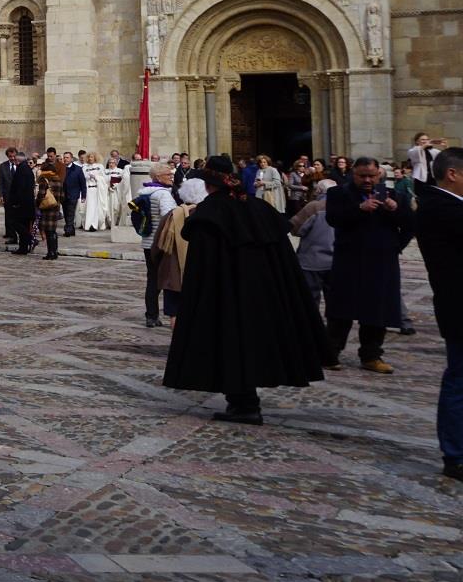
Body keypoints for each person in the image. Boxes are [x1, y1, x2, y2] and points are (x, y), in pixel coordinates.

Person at [163, 155, 327, 424]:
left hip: (223, 294)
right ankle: (246, 403)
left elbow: (202, 265)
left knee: (229, 343)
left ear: (208, 185)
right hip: (264, 294)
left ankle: (243, 403)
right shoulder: (259, 208)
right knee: (253, 342)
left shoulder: (209, 214)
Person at [323, 156, 415, 374]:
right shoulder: (338, 194)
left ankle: (371, 355)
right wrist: (360, 209)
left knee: (377, 309)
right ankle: (330, 353)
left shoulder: (393, 195)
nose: (367, 180)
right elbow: (333, 219)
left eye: (371, 176)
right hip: (349, 259)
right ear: (353, 174)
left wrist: (396, 216)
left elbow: (411, 225)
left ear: (379, 175)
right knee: (341, 310)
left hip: (382, 261)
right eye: (362, 176)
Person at [412, 146, 463, 481]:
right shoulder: (443, 209)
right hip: (459, 305)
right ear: (453, 174)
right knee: (460, 379)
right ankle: (456, 454)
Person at [153, 177, 207, 325]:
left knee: (175, 312)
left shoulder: (172, 214)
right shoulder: (208, 215)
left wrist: (158, 266)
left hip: (173, 273)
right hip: (201, 271)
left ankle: (177, 345)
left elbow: (157, 245)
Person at [291, 178, 338, 319]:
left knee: (311, 298)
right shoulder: (344, 206)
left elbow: (295, 229)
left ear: (318, 190)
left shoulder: (314, 206)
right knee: (334, 299)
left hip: (311, 260)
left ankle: (313, 329)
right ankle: (334, 332)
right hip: (335, 260)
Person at [137, 163, 178, 327]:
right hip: (161, 242)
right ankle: (172, 314)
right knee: (169, 278)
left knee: (152, 279)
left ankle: (151, 315)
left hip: (148, 242)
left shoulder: (145, 193)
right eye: (168, 174)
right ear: (159, 177)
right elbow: (169, 217)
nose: (171, 176)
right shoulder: (163, 195)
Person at [0, 149, 36, 255]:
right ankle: (23, 247)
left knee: (15, 223)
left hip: (22, 204)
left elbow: (20, 188)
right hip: (26, 203)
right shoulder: (26, 168)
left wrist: (15, 202)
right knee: (23, 225)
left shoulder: (22, 170)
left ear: (17, 160)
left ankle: (29, 240)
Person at [34, 162, 65, 260]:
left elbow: (41, 195)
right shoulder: (58, 180)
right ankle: (55, 251)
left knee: (48, 232)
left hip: (47, 209)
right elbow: (63, 197)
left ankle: (50, 253)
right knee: (53, 231)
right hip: (55, 208)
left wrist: (37, 203)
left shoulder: (45, 181)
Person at [80, 153, 108, 232]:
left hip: (97, 189)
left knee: (96, 208)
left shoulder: (100, 166)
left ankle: (94, 225)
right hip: (88, 189)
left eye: (91, 157)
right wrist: (88, 176)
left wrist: (96, 177)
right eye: (88, 157)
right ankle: (88, 225)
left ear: (95, 158)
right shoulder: (84, 167)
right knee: (89, 207)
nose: (89, 158)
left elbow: (104, 178)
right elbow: (82, 178)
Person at [62, 152, 86, 236]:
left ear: (71, 159)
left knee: (70, 212)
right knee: (66, 212)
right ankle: (71, 229)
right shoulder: (61, 168)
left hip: (73, 194)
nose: (65, 159)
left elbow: (83, 183)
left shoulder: (78, 169)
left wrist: (83, 195)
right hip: (63, 194)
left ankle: (68, 230)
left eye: (67, 157)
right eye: (64, 157)